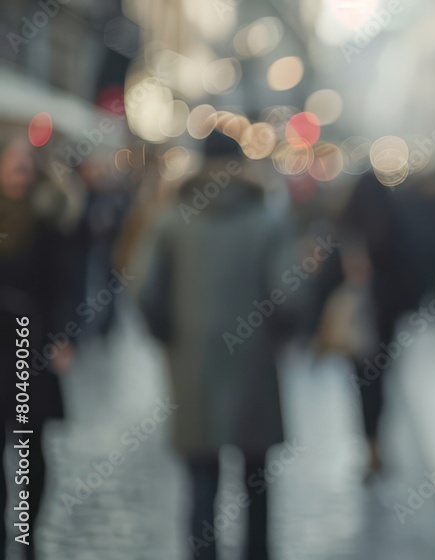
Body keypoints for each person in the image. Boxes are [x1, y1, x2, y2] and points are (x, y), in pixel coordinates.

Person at [138, 133, 300, 560]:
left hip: (193, 368)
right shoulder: (268, 219)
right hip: (254, 365)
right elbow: (291, 295)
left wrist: (170, 340)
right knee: (256, 480)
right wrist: (279, 338)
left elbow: (144, 292)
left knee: (200, 478)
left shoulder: (171, 218)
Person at [0, 139, 83, 560]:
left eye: (24, 163)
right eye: (10, 161)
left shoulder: (48, 221)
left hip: (30, 344)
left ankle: (27, 532)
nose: (18, 169)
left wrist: (65, 336)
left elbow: (66, 285)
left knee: (30, 444)